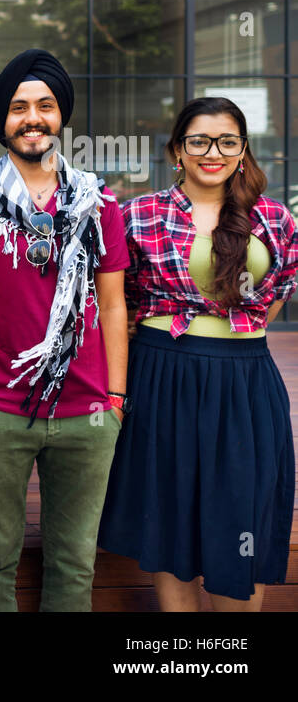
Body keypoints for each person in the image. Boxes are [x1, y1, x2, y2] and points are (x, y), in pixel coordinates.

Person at [0, 48, 129, 611]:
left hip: (90, 413)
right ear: (2, 120)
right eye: (18, 107)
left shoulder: (98, 203)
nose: (32, 118)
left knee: (75, 562)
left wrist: (114, 398)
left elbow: (114, 306)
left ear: (61, 116)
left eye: (45, 105)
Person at [99, 97, 297, 611]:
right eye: (199, 141)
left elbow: (274, 298)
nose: (214, 152)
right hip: (163, 375)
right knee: (172, 515)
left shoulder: (274, 218)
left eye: (228, 141)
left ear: (243, 149)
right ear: (177, 151)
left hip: (245, 382)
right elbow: (115, 302)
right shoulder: (137, 214)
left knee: (242, 512)